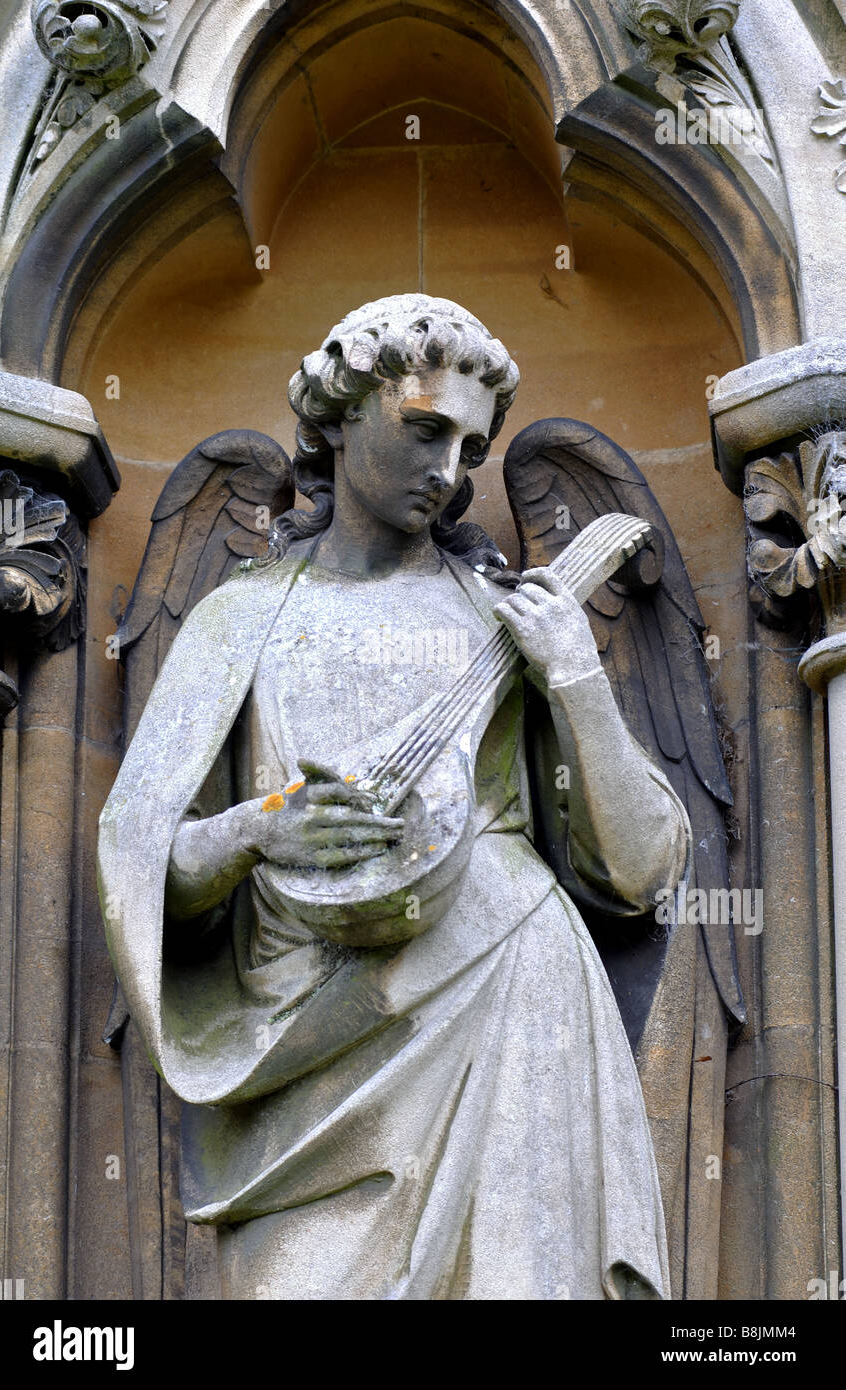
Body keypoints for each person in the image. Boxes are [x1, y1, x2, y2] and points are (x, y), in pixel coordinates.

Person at [99, 294, 687, 1299]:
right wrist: (258, 828)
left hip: (511, 1002)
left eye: (469, 444)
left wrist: (574, 679)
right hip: (305, 1050)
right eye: (423, 430)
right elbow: (141, 858)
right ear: (337, 416)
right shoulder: (239, 618)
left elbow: (637, 870)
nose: (448, 472)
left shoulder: (504, 620)